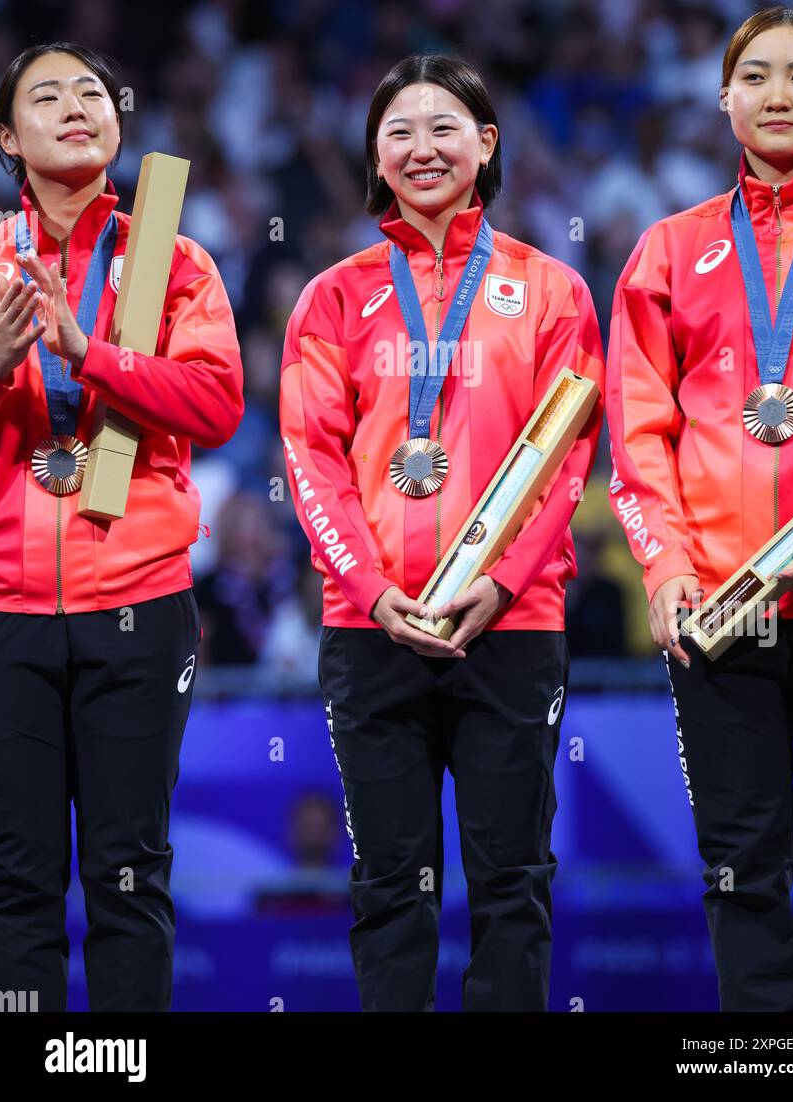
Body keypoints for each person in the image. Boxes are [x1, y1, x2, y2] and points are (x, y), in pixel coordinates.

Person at [280, 53, 604, 1011]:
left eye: (443, 126)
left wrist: (499, 584)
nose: (421, 148)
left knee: (513, 884)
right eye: (398, 133)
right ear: (376, 159)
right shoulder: (332, 297)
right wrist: (375, 592)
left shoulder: (551, 290)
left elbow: (566, 465)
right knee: (389, 883)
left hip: (511, 626)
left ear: (486, 143)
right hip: (368, 627)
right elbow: (311, 462)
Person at [606, 5, 793, 1011]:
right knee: (740, 863)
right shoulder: (668, 250)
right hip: (723, 604)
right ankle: (765, 1045)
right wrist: (665, 567)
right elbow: (635, 434)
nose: (776, 95)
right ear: (721, 101)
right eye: (753, 76)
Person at [0, 42, 244, 1011]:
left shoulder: (169, 255)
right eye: (44, 97)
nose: (74, 107)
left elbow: (217, 404)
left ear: (118, 124)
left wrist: (88, 352)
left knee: (129, 871)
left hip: (136, 598)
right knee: (15, 878)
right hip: (6, 603)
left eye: (92, 93)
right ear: (7, 137)